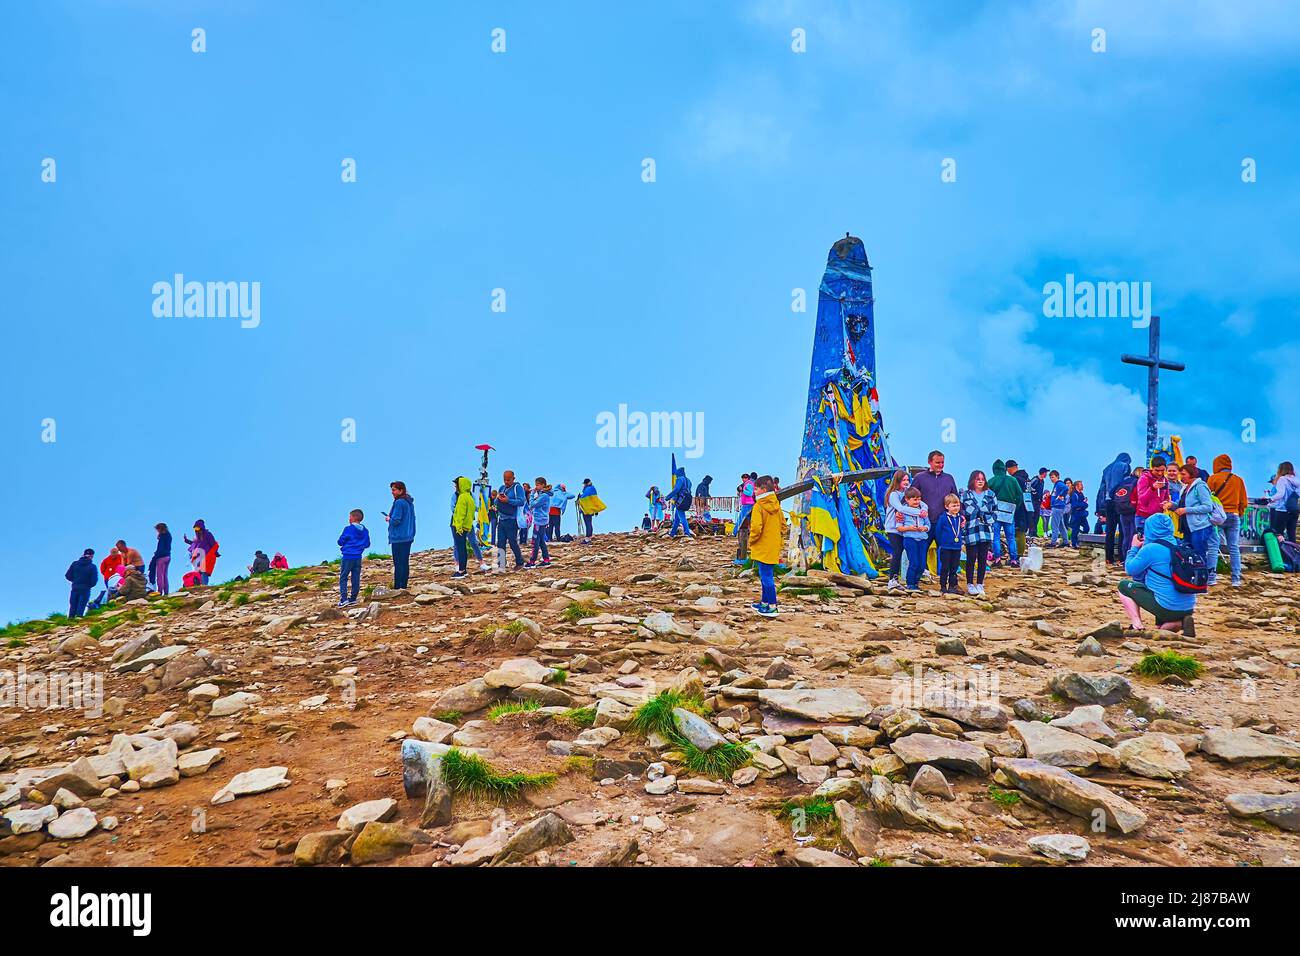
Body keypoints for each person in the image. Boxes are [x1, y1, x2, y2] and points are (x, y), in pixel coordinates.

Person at [1116, 513, 1197, 636]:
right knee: (1160, 628)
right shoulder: (1179, 545)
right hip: (1188, 607)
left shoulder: (1151, 549)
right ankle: (1179, 621)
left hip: (1166, 607)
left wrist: (1134, 548)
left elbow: (1130, 569)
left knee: (1123, 586)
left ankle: (1137, 625)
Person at [747, 475, 787, 617]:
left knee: (766, 577)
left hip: (761, 546)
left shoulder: (758, 506)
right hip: (772, 546)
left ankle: (772, 606)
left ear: (763, 490)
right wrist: (778, 540)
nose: (754, 491)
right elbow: (784, 525)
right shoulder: (776, 505)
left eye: (756, 488)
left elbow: (756, 528)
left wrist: (751, 541)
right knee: (766, 575)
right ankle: (764, 603)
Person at [912, 451, 958, 574]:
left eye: (942, 462)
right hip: (925, 522)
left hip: (944, 522)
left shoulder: (949, 478)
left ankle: (944, 577)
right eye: (937, 462)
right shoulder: (919, 478)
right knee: (922, 550)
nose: (940, 465)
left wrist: (961, 515)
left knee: (945, 551)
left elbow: (956, 498)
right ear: (929, 462)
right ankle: (920, 575)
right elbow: (910, 497)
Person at [1207, 454, 1247, 587]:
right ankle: (1236, 579)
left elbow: (1207, 499)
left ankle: (1211, 578)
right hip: (1234, 515)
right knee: (1234, 547)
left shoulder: (1213, 479)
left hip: (1218, 516)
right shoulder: (1238, 480)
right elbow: (1243, 501)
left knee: (1213, 547)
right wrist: (1238, 512)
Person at [883, 469, 922, 590]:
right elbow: (900, 507)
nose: (906, 482)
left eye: (907, 480)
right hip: (893, 528)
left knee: (906, 551)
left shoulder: (906, 493)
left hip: (904, 528)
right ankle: (892, 579)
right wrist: (918, 512)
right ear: (897, 481)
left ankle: (908, 577)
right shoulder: (894, 494)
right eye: (903, 480)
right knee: (897, 552)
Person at [960, 470, 998, 595]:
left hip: (985, 530)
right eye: (977, 479)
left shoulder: (991, 495)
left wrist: (986, 518)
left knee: (983, 558)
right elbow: (964, 512)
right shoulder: (966, 495)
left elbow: (995, 512)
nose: (980, 481)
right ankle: (970, 583)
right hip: (971, 529)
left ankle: (980, 583)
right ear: (972, 481)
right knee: (971, 558)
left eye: (982, 479)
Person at [1175, 462, 1215, 564]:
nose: (1181, 477)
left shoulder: (1200, 487)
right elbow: (1181, 504)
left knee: (1199, 554)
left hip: (1199, 527)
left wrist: (1186, 510)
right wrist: (1171, 505)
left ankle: (1203, 577)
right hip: (1187, 527)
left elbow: (1208, 507)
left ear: (1191, 474)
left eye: (1183, 474)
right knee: (1188, 554)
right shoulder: (1184, 488)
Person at [1099, 452, 1133, 565]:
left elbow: (1102, 489)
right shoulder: (1125, 466)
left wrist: (1100, 506)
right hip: (1120, 500)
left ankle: (1109, 557)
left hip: (1108, 501)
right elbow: (1127, 483)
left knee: (1110, 530)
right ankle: (1122, 557)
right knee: (1123, 529)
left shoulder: (1106, 469)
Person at [896, 486, 931, 592]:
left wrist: (924, 528)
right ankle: (910, 583)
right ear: (907, 499)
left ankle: (916, 582)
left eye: (919, 499)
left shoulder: (923, 511)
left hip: (922, 539)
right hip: (910, 539)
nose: (917, 501)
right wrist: (909, 528)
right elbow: (899, 527)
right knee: (914, 562)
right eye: (914, 499)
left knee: (922, 564)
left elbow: (928, 525)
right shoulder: (902, 512)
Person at [987, 460, 1021, 567]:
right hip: (1009, 511)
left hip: (996, 511)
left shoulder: (991, 481)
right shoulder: (1013, 480)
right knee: (1011, 537)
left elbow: (987, 497)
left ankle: (997, 559)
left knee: (996, 536)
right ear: (1004, 469)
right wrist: (1015, 506)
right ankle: (1014, 560)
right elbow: (1020, 495)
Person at [384, 481, 416, 588]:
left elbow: (396, 520)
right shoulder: (409, 502)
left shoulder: (399, 503)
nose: (392, 492)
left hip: (399, 537)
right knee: (404, 562)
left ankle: (398, 586)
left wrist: (389, 518)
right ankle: (404, 586)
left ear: (400, 490)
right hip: (408, 536)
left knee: (398, 563)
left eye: (394, 490)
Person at [337, 508, 370, 605]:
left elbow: (340, 541)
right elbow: (367, 544)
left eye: (350, 517)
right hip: (358, 556)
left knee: (343, 577)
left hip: (348, 556)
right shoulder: (365, 530)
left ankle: (344, 599)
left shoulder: (348, 529)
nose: (349, 519)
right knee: (355, 577)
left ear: (353, 518)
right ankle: (353, 598)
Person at [494, 471, 526, 569]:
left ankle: (520, 562)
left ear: (513, 478)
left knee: (512, 542)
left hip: (512, 520)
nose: (506, 482)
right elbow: (496, 501)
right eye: (505, 480)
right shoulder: (502, 488)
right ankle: (501, 565)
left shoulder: (518, 488)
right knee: (500, 543)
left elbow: (521, 501)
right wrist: (498, 498)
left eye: (508, 480)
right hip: (502, 520)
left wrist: (508, 500)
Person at [934, 493, 963, 595]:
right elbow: (938, 531)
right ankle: (943, 586)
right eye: (953, 506)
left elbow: (960, 531)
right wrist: (941, 542)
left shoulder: (960, 518)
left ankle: (952, 586)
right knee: (945, 567)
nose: (956, 508)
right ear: (947, 507)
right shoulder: (943, 518)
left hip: (957, 547)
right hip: (946, 547)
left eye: (957, 505)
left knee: (954, 567)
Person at [1264, 461, 1300, 544]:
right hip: (1294, 509)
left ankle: (1280, 554)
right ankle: (1293, 553)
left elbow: (1281, 494)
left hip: (1282, 510)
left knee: (1277, 533)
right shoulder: (1297, 480)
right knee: (1291, 533)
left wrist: (1270, 499)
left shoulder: (1282, 479)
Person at [1134, 457, 1170, 533]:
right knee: (1143, 542)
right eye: (1157, 470)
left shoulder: (1165, 480)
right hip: (1143, 516)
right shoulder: (1144, 478)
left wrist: (1165, 502)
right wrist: (1152, 488)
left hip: (1158, 516)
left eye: (1162, 470)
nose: (1160, 473)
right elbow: (1142, 500)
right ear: (1152, 468)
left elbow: (1167, 497)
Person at [526, 477, 553, 568]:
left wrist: (532, 494)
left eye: (537, 485)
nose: (536, 487)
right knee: (541, 541)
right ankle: (546, 559)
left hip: (539, 521)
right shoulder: (543, 495)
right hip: (542, 520)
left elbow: (532, 504)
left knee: (535, 541)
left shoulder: (544, 496)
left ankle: (532, 561)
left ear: (542, 485)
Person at [65, 548, 98, 618]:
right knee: (81, 606)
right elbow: (94, 581)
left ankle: (70, 620)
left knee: (73, 605)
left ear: (83, 554)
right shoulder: (92, 567)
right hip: (85, 589)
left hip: (75, 587)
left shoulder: (75, 564)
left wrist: (75, 581)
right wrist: (88, 585)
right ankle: (78, 619)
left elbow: (67, 575)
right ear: (92, 556)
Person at [1006, 459, 1031, 554]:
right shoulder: (1026, 479)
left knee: (1019, 531)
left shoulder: (1015, 479)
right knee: (1022, 530)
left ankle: (1018, 554)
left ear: (1010, 469)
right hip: (1028, 506)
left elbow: (1015, 495)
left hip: (1020, 508)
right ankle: (1019, 553)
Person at [184, 520, 219, 585]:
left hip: (206, 556)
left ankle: (204, 585)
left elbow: (213, 544)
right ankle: (198, 585)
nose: (196, 530)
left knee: (204, 571)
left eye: (197, 528)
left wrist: (216, 552)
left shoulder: (208, 535)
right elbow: (195, 544)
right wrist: (187, 541)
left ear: (201, 527)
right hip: (197, 557)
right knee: (198, 572)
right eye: (195, 528)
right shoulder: (197, 537)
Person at [667, 466, 693, 538]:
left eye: (676, 474)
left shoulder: (680, 479)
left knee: (682, 517)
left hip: (680, 500)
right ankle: (672, 533)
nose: (676, 475)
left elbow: (676, 490)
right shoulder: (689, 481)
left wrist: (668, 497)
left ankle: (687, 533)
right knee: (677, 519)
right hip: (687, 500)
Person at [148, 523, 172, 596]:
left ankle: (160, 591)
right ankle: (166, 592)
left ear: (159, 529)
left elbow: (160, 549)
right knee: (165, 575)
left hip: (161, 558)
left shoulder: (162, 536)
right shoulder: (169, 535)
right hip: (168, 556)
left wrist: (155, 557)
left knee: (159, 575)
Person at [577, 478, 601, 542]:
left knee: (587, 523)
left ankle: (587, 538)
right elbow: (594, 499)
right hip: (591, 509)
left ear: (585, 483)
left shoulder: (587, 489)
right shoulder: (592, 489)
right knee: (589, 523)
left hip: (586, 509)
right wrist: (596, 510)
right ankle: (589, 537)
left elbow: (584, 498)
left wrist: (579, 498)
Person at [1028, 468, 1049, 539]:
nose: (1046, 474)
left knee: (1036, 517)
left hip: (1038, 501)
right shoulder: (1036, 479)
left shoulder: (1042, 481)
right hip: (1033, 501)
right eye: (1046, 473)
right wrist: (1034, 493)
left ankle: (1034, 532)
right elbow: (1029, 487)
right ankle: (1030, 532)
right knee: (1032, 516)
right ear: (1043, 473)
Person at [1068, 480, 1090, 548]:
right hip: (1076, 515)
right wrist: (1084, 504)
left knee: (1086, 528)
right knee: (1075, 529)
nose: (1082, 486)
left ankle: (1079, 541)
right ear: (1077, 486)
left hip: (1082, 514)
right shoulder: (1074, 494)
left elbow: (1084, 505)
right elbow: (1075, 505)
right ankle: (1074, 544)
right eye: (1081, 485)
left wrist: (1083, 505)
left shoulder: (1081, 494)